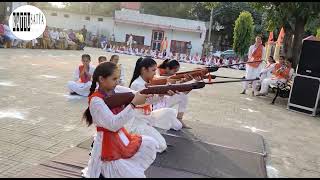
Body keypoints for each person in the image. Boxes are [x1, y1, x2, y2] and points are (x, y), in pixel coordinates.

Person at [81, 62, 158, 178]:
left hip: (121, 138)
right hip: (107, 143)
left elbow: (141, 97)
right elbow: (113, 124)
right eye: (114, 78)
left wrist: (161, 93)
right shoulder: (96, 101)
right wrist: (132, 104)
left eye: (118, 78)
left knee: (151, 144)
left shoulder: (116, 90)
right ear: (101, 79)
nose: (117, 81)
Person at [128, 57, 183, 152]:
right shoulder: (137, 84)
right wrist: (162, 93)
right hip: (137, 121)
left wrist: (164, 92)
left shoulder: (148, 82)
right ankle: (140, 136)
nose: (155, 73)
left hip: (148, 117)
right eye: (153, 70)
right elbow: (141, 102)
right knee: (160, 146)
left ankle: (151, 133)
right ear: (144, 70)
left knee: (170, 113)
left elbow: (152, 100)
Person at [156, 59, 194, 128]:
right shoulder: (157, 71)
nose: (175, 74)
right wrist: (170, 79)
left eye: (176, 72)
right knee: (174, 125)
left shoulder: (173, 77)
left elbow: (184, 92)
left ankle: (179, 119)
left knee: (183, 96)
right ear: (167, 68)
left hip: (163, 101)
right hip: (154, 103)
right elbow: (156, 79)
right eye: (174, 71)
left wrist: (187, 81)